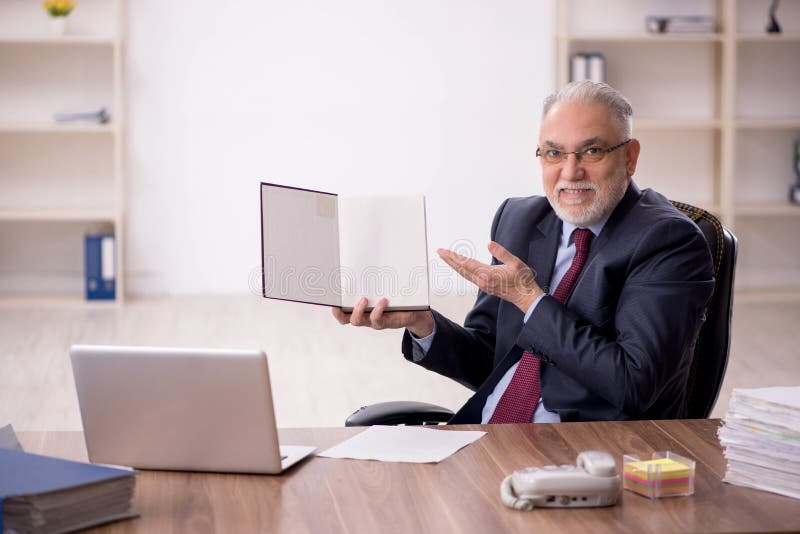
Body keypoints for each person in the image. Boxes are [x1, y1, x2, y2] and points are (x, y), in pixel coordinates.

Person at [332, 80, 715, 423]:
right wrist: (423, 323)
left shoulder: (669, 240)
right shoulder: (519, 218)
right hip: (491, 434)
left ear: (630, 157)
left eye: (591, 151)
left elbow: (633, 383)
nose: (570, 172)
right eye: (553, 153)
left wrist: (530, 299)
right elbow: (491, 361)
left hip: (588, 454)